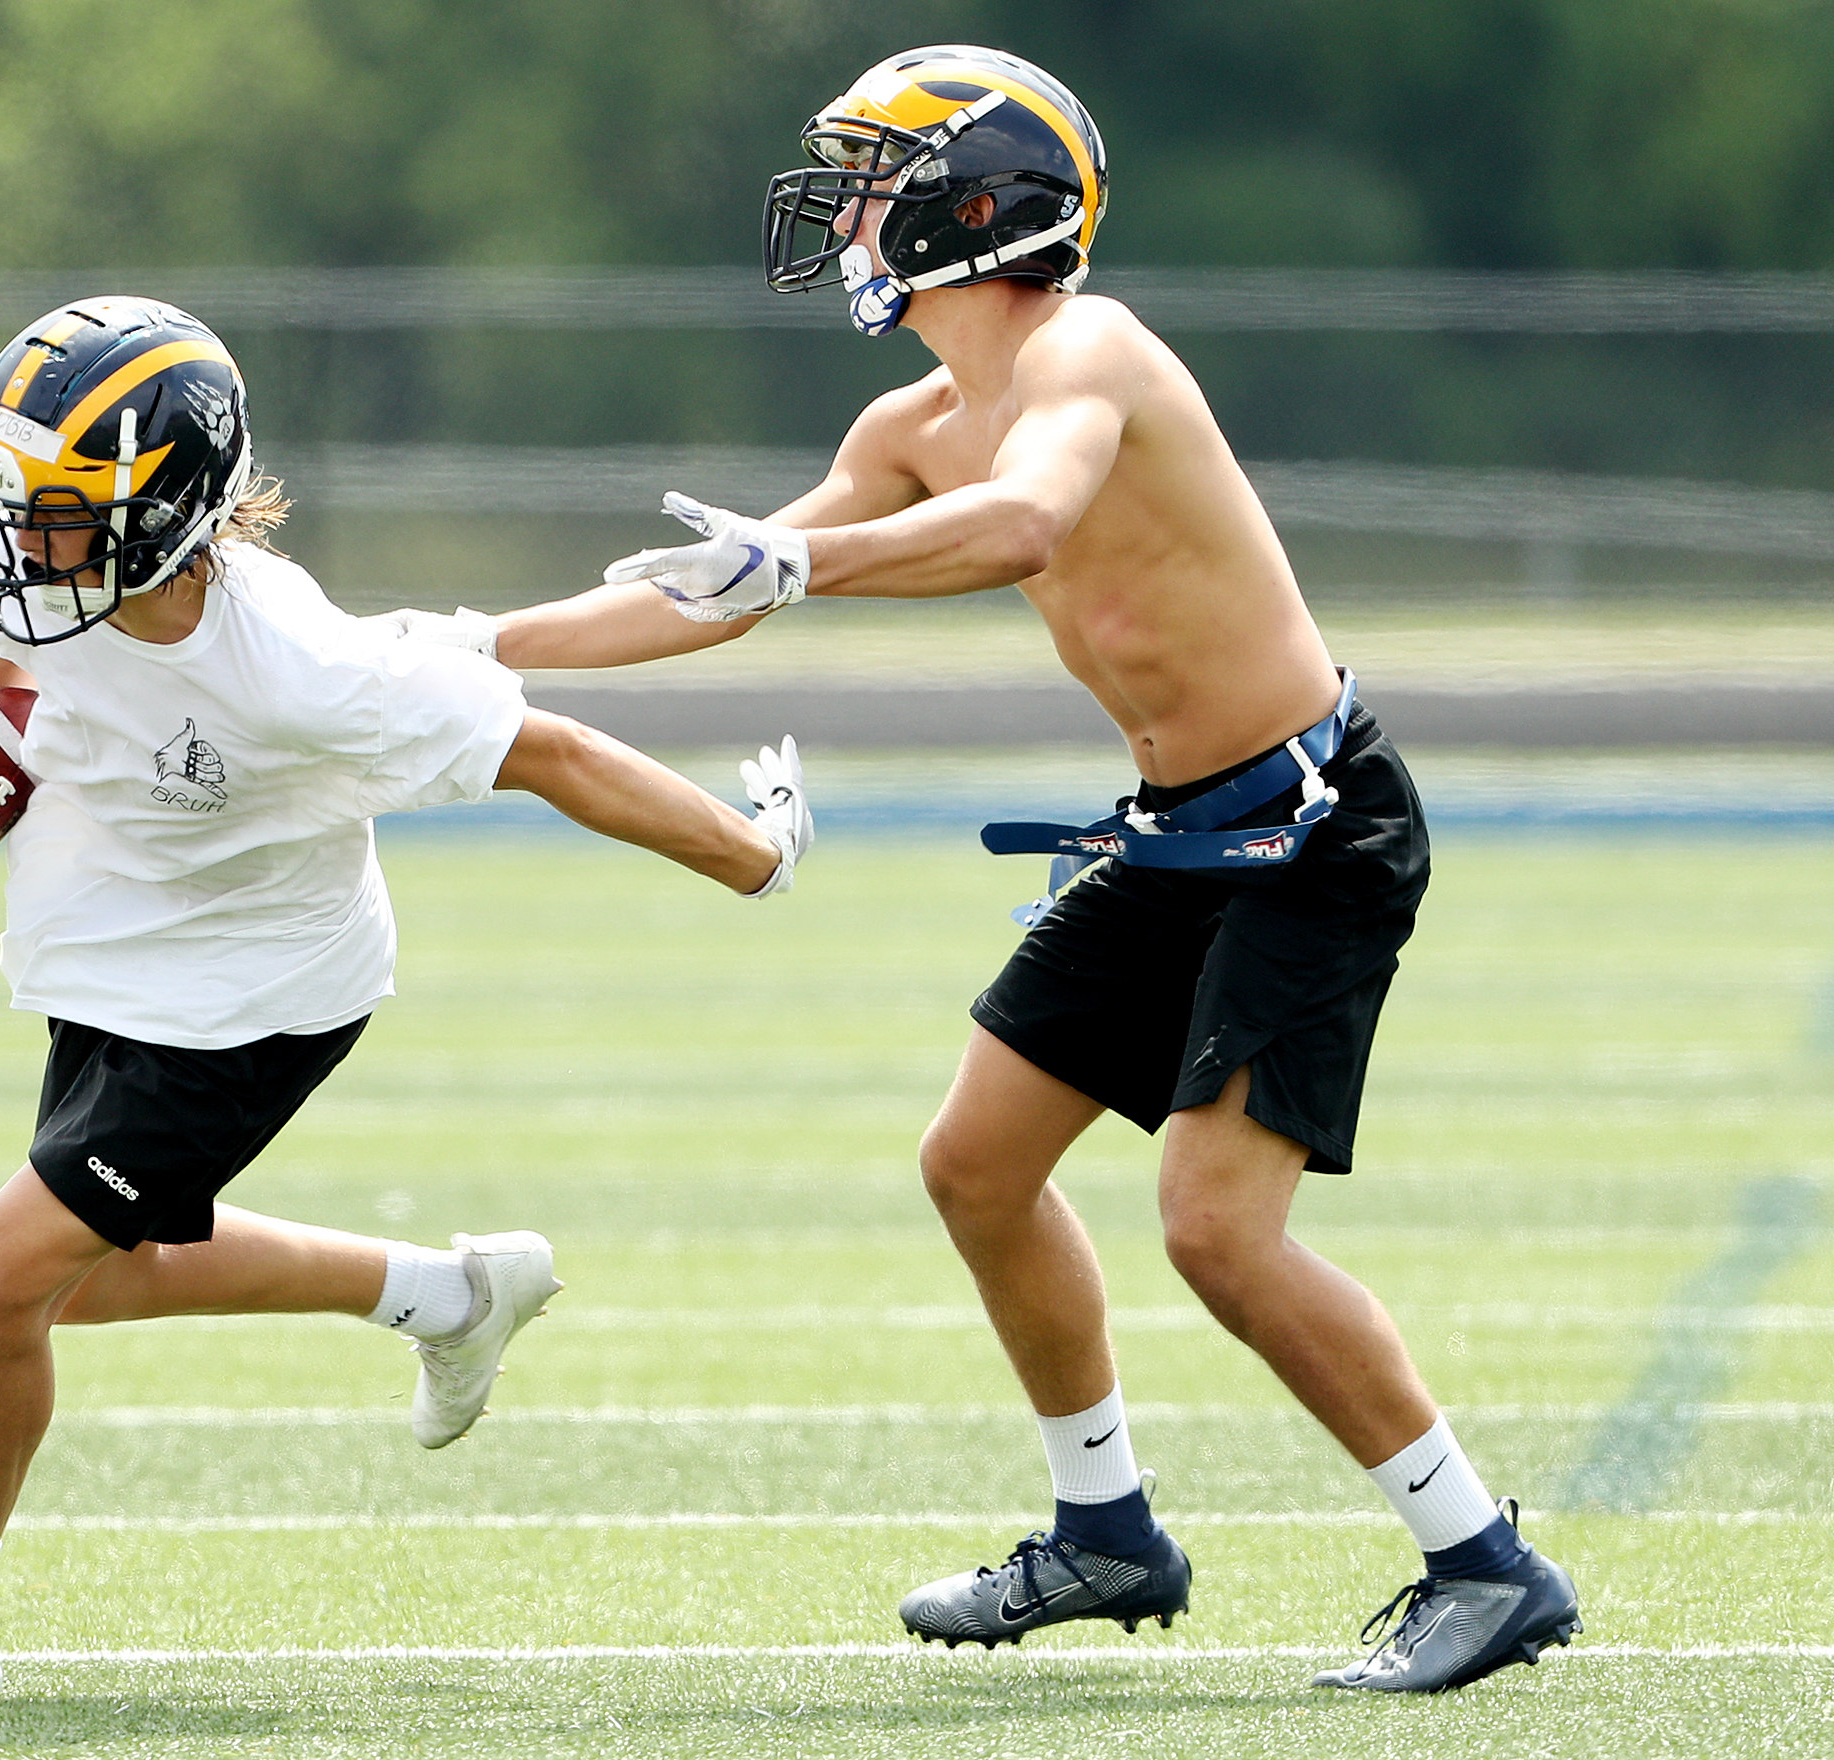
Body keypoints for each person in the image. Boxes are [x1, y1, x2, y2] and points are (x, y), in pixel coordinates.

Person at [379, 45, 1577, 1695]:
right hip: (1179, 828)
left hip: (1310, 825)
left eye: (876, 177)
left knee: (1218, 1236)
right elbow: (710, 592)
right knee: (977, 1166)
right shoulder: (913, 421)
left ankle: (1483, 1562)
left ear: (976, 199)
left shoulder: (1087, 351)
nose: (850, 209)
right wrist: (460, 647)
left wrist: (798, 557)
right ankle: (1108, 1535)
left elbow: (1024, 522)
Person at [0, 295, 813, 1705]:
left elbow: (556, 751)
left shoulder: (302, 670)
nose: (15, 546)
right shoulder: (62, 583)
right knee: (81, 1291)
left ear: (165, 508)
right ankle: (448, 1295)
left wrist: (755, 855)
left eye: (56, 516)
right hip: (120, 957)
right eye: (10, 506)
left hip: (248, 1001)